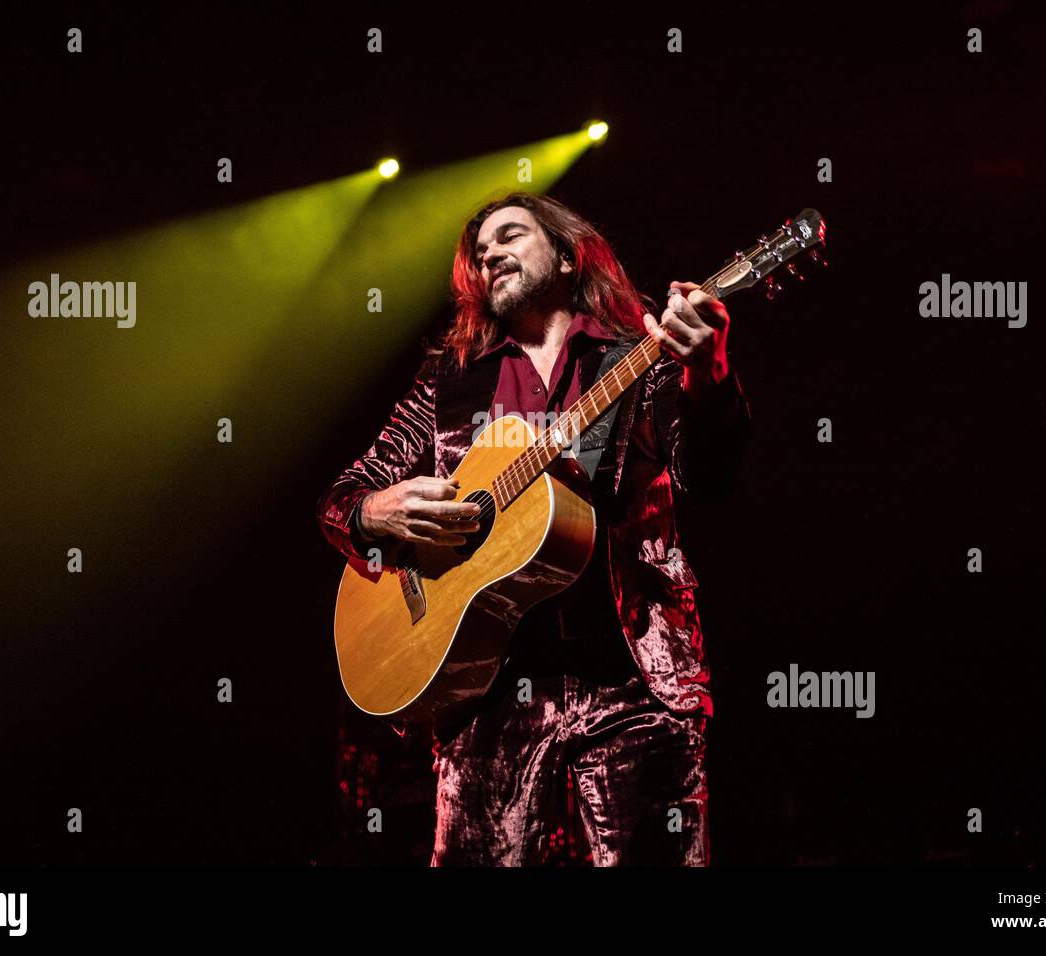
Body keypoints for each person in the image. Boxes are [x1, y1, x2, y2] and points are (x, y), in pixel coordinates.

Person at [317, 191, 750, 865]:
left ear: (572, 258)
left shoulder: (642, 351)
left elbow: (709, 477)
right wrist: (376, 512)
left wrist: (708, 369)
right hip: (485, 686)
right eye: (478, 251)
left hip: (632, 677)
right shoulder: (447, 383)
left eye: (510, 236)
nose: (488, 253)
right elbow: (342, 499)